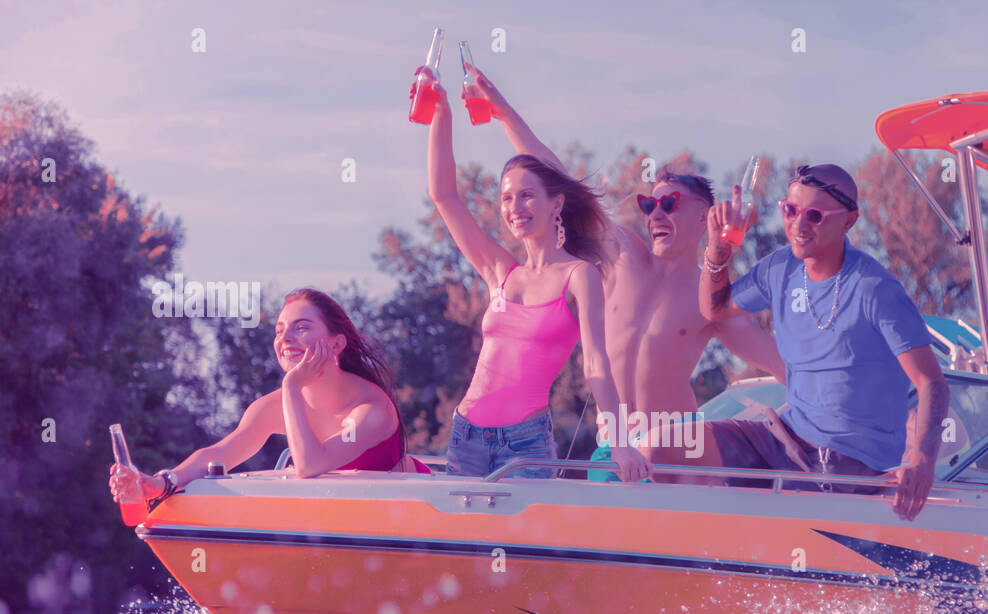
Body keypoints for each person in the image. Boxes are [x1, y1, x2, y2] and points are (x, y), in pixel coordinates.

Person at [458, 65, 784, 480]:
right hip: (615, 448)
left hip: (679, 450)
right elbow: (559, 179)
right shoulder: (622, 256)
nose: (655, 214)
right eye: (650, 205)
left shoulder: (709, 298)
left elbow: (783, 367)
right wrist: (503, 113)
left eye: (670, 205)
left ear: (704, 217)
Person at [663, 163, 950, 521]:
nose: (798, 224)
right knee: (659, 447)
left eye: (815, 215)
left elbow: (931, 383)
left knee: (773, 521)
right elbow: (714, 309)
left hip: (845, 465)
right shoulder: (780, 267)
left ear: (848, 221)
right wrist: (718, 248)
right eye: (790, 210)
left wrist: (921, 462)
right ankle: (688, 563)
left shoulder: (874, 289)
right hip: (784, 438)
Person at [415, 71, 648, 481]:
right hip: (465, 434)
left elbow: (596, 363)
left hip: (524, 444)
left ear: (555, 203)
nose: (514, 206)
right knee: (462, 545)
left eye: (526, 195)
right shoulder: (500, 272)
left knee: (517, 546)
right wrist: (442, 112)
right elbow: (444, 195)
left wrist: (622, 441)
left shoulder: (579, 276)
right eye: (506, 197)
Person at [108, 288, 429, 508]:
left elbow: (310, 465)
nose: (285, 338)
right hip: (337, 523)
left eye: (301, 328)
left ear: (336, 344)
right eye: (279, 330)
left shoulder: (370, 410)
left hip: (409, 519)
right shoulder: (271, 407)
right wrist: (157, 484)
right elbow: (221, 452)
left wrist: (291, 386)